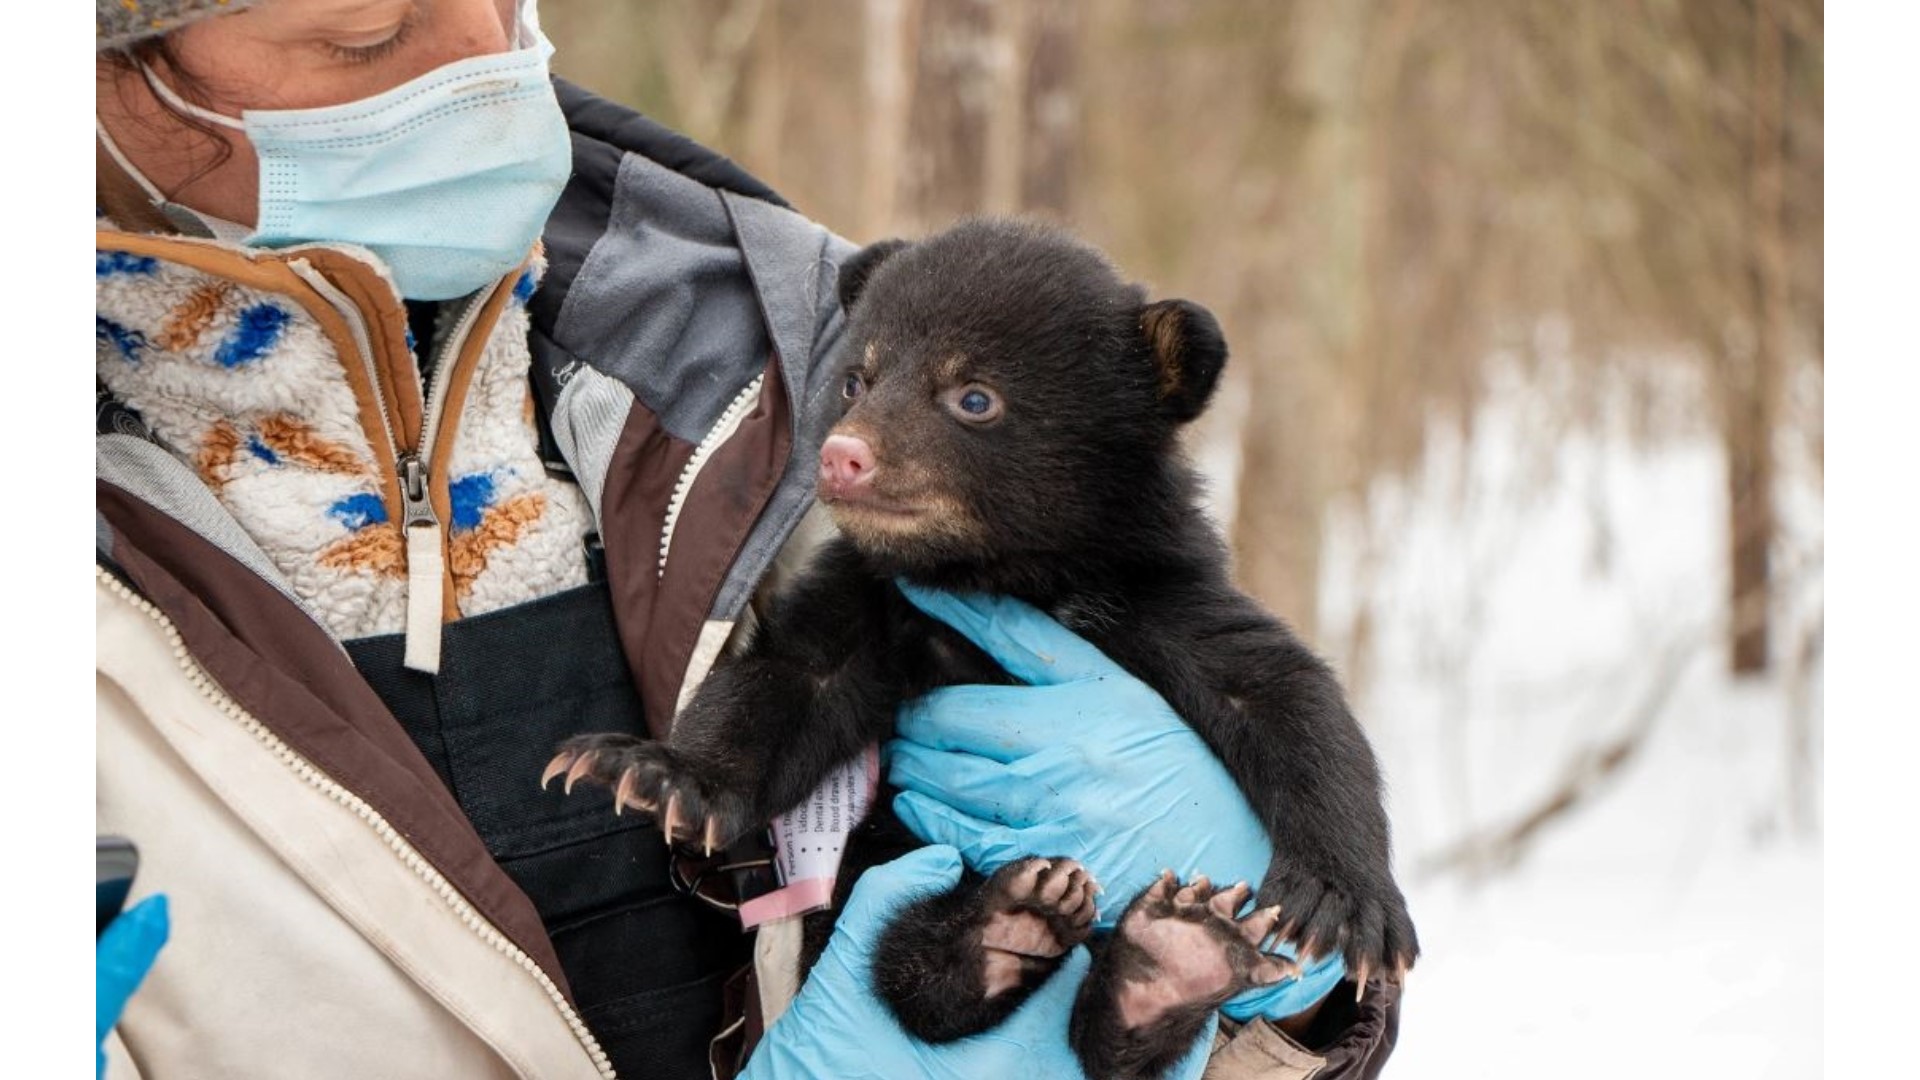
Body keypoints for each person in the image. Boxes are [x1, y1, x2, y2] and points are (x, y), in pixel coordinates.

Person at [93, 1, 1402, 1076]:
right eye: (370, 37)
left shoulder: (772, 347)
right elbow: (809, 677)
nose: (488, 64)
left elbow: (1265, 769)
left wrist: (1297, 1003)